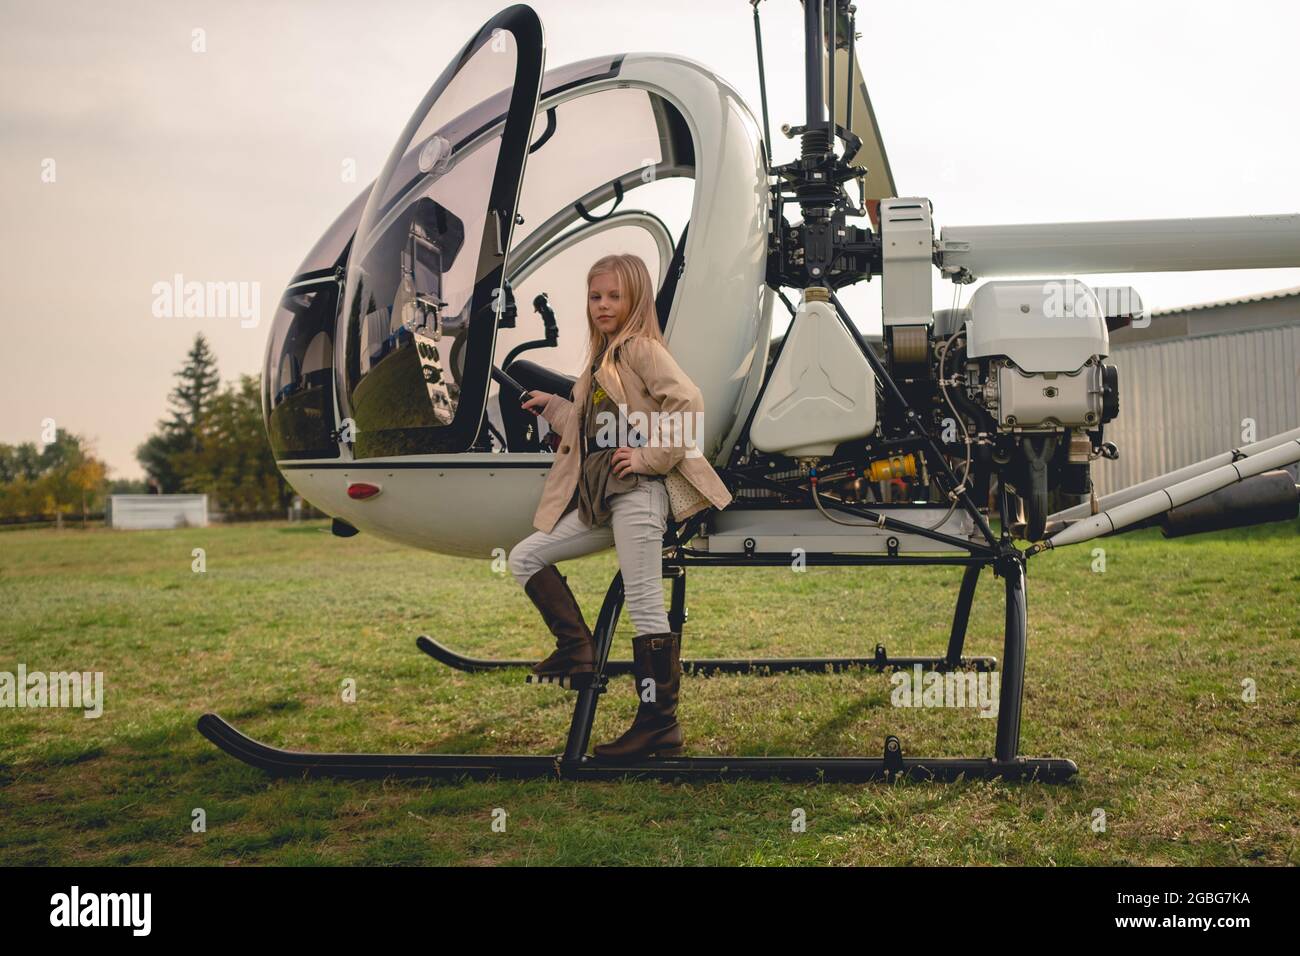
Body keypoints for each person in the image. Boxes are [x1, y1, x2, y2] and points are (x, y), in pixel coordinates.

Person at [507, 252, 733, 760]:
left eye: (614, 296)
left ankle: (659, 724)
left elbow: (688, 401)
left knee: (646, 601)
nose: (603, 305)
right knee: (525, 556)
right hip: (603, 500)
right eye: (595, 296)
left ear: (634, 300)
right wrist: (555, 406)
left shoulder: (639, 349)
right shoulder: (600, 359)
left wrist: (652, 457)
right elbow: (595, 431)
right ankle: (578, 649)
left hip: (638, 495)